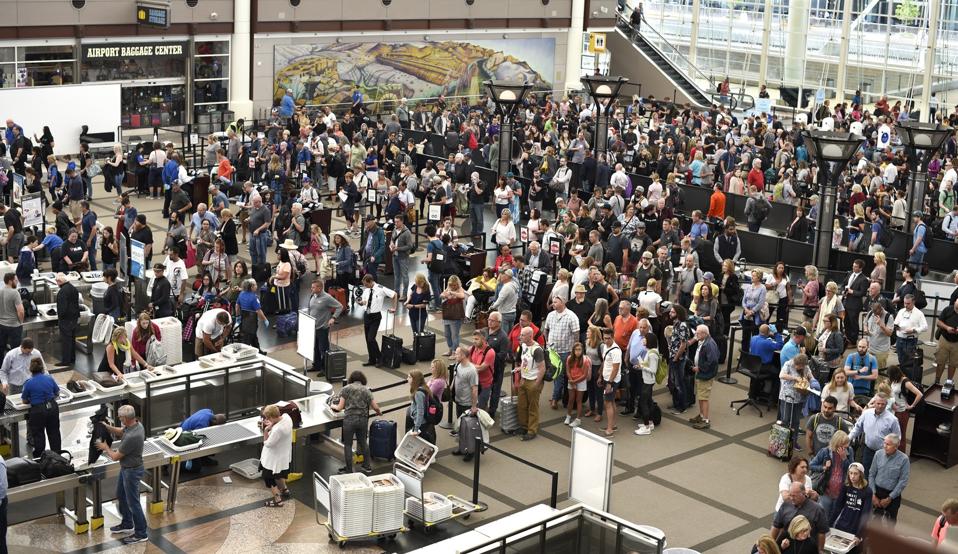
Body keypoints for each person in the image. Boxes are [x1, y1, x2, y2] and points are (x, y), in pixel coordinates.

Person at [96, 404, 148, 545]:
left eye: (120, 417)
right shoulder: (135, 425)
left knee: (133, 503)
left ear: (125, 418)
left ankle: (141, 533)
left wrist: (105, 447)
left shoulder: (133, 436)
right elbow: (121, 431)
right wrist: (107, 426)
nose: (119, 419)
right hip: (126, 468)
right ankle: (127, 523)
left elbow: (114, 457)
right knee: (121, 495)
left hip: (132, 471)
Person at [330, 371, 381, 474]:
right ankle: (367, 466)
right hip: (362, 420)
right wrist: (379, 412)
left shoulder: (346, 389)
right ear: (362, 379)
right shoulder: (366, 390)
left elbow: (340, 407)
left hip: (349, 420)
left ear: (351, 379)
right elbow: (375, 406)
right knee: (363, 442)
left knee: (348, 445)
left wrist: (332, 406)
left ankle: (349, 469)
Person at [849, 393, 901, 476]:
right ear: (874, 403)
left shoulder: (892, 420)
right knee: (865, 474)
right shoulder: (866, 414)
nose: (880, 406)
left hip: (884, 453)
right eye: (878, 403)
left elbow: (897, 438)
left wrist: (892, 452)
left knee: (880, 475)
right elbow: (857, 428)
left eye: (883, 404)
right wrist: (848, 438)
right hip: (868, 450)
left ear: (886, 404)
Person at [543, 295, 580, 410]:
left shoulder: (571, 316)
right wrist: (547, 342)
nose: (553, 304)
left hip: (566, 352)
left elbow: (576, 334)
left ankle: (555, 398)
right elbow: (546, 329)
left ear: (563, 302)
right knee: (556, 375)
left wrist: (575, 350)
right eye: (553, 302)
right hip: (553, 351)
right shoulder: (550, 315)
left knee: (560, 375)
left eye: (555, 302)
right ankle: (557, 396)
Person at [770, 482, 829, 553]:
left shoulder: (817, 509)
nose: (791, 498)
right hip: (787, 546)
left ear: (803, 493)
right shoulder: (786, 505)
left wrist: (820, 550)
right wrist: (769, 544)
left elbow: (821, 532)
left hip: (808, 548)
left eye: (794, 496)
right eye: (790, 495)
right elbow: (776, 526)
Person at [21, 358, 60, 458]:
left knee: (38, 435)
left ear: (31, 370)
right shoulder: (49, 378)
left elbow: (24, 401)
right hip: (52, 407)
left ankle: (40, 459)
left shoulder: (28, 383)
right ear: (42, 368)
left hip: (38, 411)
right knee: (54, 433)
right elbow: (57, 392)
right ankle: (57, 458)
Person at [809, 430, 853, 516]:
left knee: (834, 517)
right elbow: (811, 465)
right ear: (836, 444)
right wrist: (823, 468)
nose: (846, 447)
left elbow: (852, 470)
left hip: (840, 493)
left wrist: (844, 458)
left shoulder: (849, 451)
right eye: (843, 445)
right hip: (825, 491)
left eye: (847, 444)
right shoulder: (825, 452)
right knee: (823, 515)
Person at [868, 433, 910, 522]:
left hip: (892, 495)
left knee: (890, 525)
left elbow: (903, 481)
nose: (884, 446)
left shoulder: (904, 459)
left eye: (888, 444)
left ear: (895, 446)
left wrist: (890, 498)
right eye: (884, 443)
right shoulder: (878, 454)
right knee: (873, 523)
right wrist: (873, 494)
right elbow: (871, 474)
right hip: (877, 492)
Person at [259, 404, 293, 507]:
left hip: (272, 460)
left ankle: (278, 500)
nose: (266, 419)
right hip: (284, 457)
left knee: (268, 478)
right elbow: (279, 423)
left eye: (268, 418)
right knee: (279, 475)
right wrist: (272, 424)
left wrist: (266, 430)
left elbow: (268, 444)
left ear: (271, 417)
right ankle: (284, 489)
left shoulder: (277, 430)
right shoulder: (287, 418)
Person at [516, 326, 546, 441]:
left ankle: (532, 430)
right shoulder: (523, 345)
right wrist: (520, 369)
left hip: (533, 381)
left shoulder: (537, 350)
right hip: (524, 378)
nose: (520, 337)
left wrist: (536, 383)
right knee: (522, 405)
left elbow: (542, 368)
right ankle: (524, 426)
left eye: (523, 335)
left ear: (530, 336)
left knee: (533, 406)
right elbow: (525, 362)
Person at [831, 462, 872, 544]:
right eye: (851, 473)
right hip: (842, 523)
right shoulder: (845, 487)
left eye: (856, 473)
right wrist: (829, 524)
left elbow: (865, 514)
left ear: (861, 475)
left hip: (855, 527)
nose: (852, 476)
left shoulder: (867, 491)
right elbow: (838, 507)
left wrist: (859, 535)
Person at [307, 279, 343, 373]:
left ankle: (325, 369)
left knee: (323, 349)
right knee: (315, 348)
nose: (311, 288)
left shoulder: (327, 297)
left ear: (320, 288)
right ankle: (317, 365)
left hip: (322, 327)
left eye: (314, 287)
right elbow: (310, 309)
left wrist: (333, 318)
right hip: (313, 327)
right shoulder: (313, 295)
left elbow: (340, 306)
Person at [690, 324, 720, 430]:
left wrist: (700, 368)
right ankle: (701, 415)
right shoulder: (703, 341)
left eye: (698, 333)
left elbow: (713, 360)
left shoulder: (709, 345)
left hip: (705, 375)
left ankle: (705, 420)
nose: (696, 334)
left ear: (704, 333)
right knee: (701, 396)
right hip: (701, 374)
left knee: (704, 397)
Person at [887, 365, 924, 453]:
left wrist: (912, 405)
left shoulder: (905, 382)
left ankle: (901, 454)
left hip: (902, 412)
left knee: (901, 434)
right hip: (894, 411)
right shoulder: (894, 381)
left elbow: (919, 394)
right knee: (893, 433)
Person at [597, 327, 622, 437]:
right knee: (611, 402)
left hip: (612, 381)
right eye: (604, 338)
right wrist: (600, 376)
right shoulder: (605, 347)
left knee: (608, 403)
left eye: (608, 338)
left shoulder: (616, 351)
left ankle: (610, 429)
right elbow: (605, 361)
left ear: (612, 337)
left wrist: (609, 383)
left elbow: (615, 369)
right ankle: (613, 425)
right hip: (606, 378)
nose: (606, 340)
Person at [634, 333, 660, 436]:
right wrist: (642, 365)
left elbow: (653, 370)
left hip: (648, 381)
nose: (643, 340)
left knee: (643, 403)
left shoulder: (652, 354)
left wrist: (642, 367)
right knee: (648, 401)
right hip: (647, 380)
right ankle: (650, 422)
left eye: (645, 338)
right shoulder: (650, 351)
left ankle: (646, 427)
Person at [55, 273, 81, 369]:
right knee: (72, 339)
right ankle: (72, 358)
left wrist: (60, 317)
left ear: (60, 281)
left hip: (66, 319)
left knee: (66, 340)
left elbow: (62, 308)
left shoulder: (62, 292)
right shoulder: (73, 288)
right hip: (74, 318)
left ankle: (66, 360)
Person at [406, 370, 436, 444]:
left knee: (421, 443)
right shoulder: (424, 388)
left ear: (415, 379)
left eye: (409, 377)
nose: (407, 379)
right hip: (424, 422)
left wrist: (416, 428)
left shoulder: (418, 393)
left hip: (421, 423)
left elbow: (420, 411)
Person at [440, 276, 467, 356]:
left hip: (456, 316)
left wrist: (452, 293)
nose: (453, 287)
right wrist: (444, 295)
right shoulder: (448, 288)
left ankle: (455, 352)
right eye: (451, 285)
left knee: (454, 335)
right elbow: (441, 295)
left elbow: (462, 296)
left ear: (458, 284)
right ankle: (450, 349)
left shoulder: (460, 289)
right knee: (447, 334)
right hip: (447, 315)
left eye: (454, 285)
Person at [470, 331, 496, 412]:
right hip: (473, 383)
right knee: (471, 406)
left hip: (484, 385)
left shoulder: (490, 352)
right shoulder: (472, 348)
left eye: (477, 339)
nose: (474, 341)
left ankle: (483, 422)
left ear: (484, 339)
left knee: (481, 408)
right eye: (473, 339)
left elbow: (480, 368)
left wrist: (469, 365)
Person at [935, 296, 958, 384]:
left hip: (956, 342)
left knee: (953, 363)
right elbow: (939, 322)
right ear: (955, 301)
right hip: (944, 339)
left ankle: (949, 382)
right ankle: (937, 381)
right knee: (940, 361)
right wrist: (947, 327)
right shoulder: (947, 310)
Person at [0, 274, 24, 356]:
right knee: (16, 350)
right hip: (14, 325)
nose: (17, 282)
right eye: (16, 280)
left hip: (2, 324)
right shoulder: (14, 292)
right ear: (10, 281)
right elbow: (20, 311)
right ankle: (14, 367)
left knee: (1, 348)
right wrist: (20, 322)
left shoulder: (0, 291)